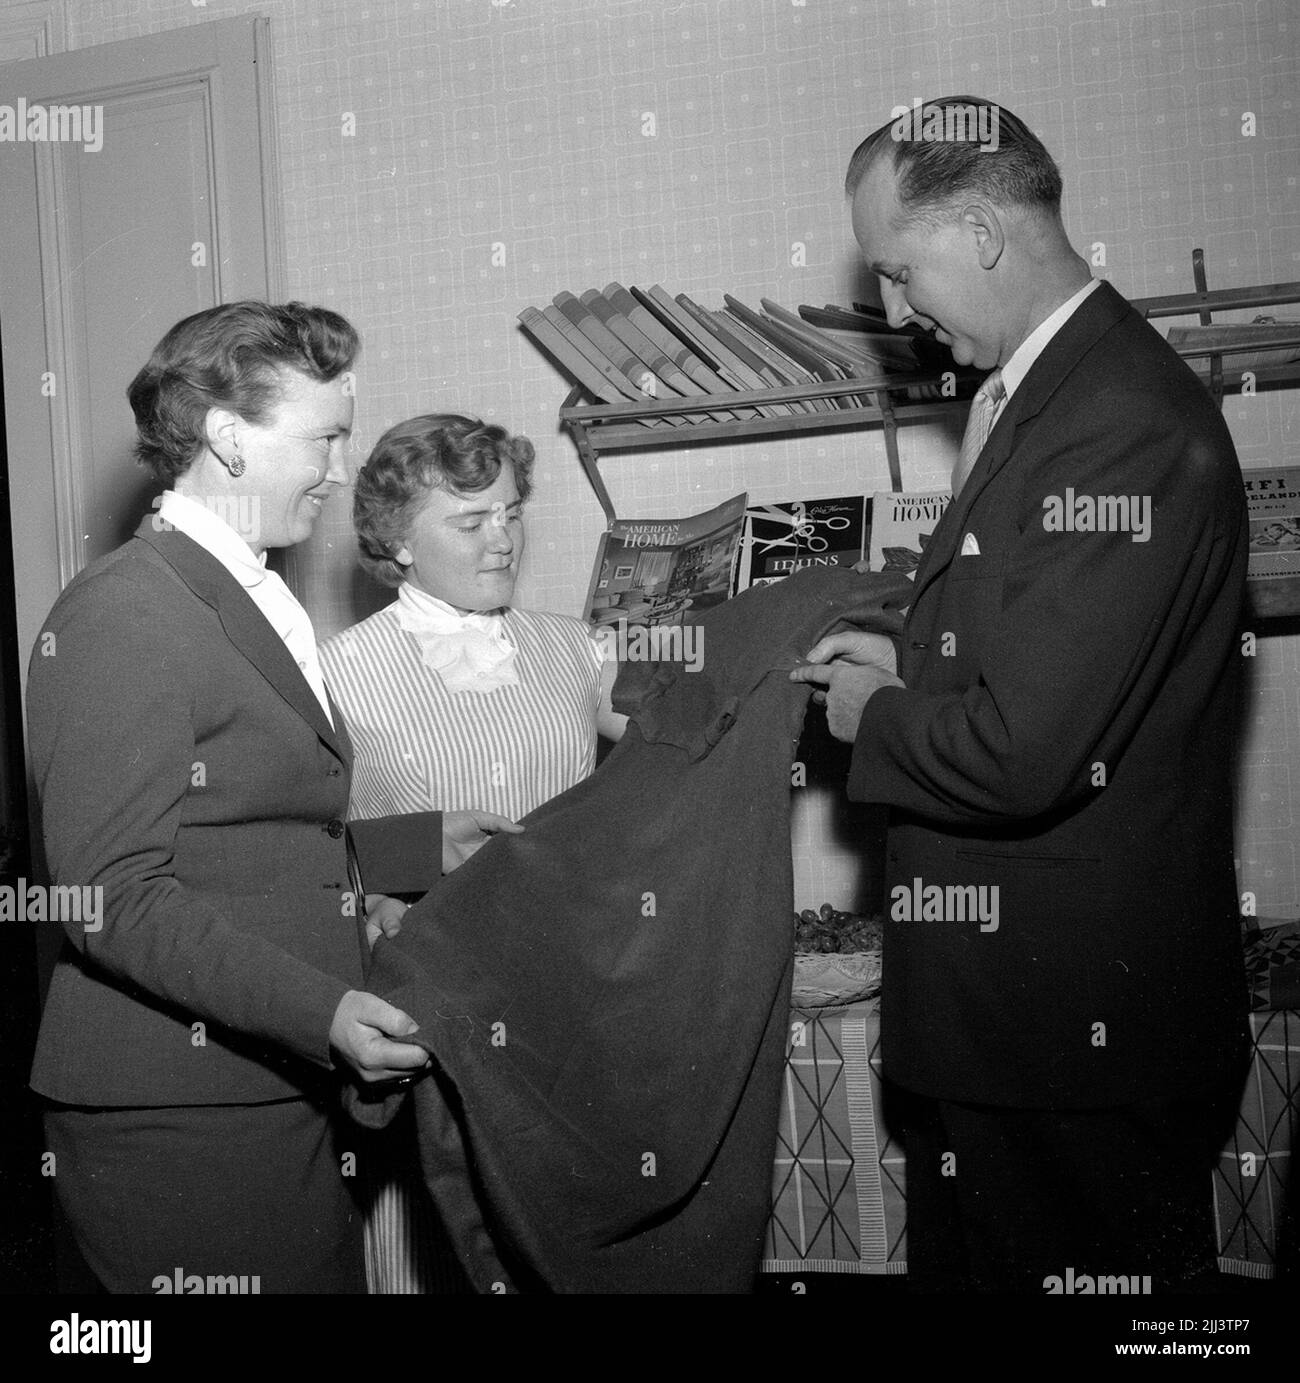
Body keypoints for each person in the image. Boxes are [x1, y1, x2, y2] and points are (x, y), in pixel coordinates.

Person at [792, 97, 1249, 1292]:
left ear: (985, 231)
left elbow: (1026, 751)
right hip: (1020, 1034)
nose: (896, 311)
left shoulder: (1113, 424)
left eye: (900, 272)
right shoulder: (1049, 395)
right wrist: (912, 666)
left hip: (1067, 1043)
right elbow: (1035, 662)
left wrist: (870, 719)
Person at [27, 302, 506, 1293]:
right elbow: (111, 894)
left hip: (260, 1084)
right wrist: (323, 1011)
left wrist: (411, 849)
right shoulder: (125, 611)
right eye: (324, 437)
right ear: (229, 437)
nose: (339, 469)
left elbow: (242, 837)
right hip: (179, 1113)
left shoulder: (242, 586)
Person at [319, 412, 625, 1292]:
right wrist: (388, 878)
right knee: (454, 1253)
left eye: (512, 511)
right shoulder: (331, 673)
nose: (504, 541)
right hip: (434, 1016)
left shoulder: (577, 647)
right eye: (470, 521)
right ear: (396, 544)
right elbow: (303, 851)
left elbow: (677, 745)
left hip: (574, 999)